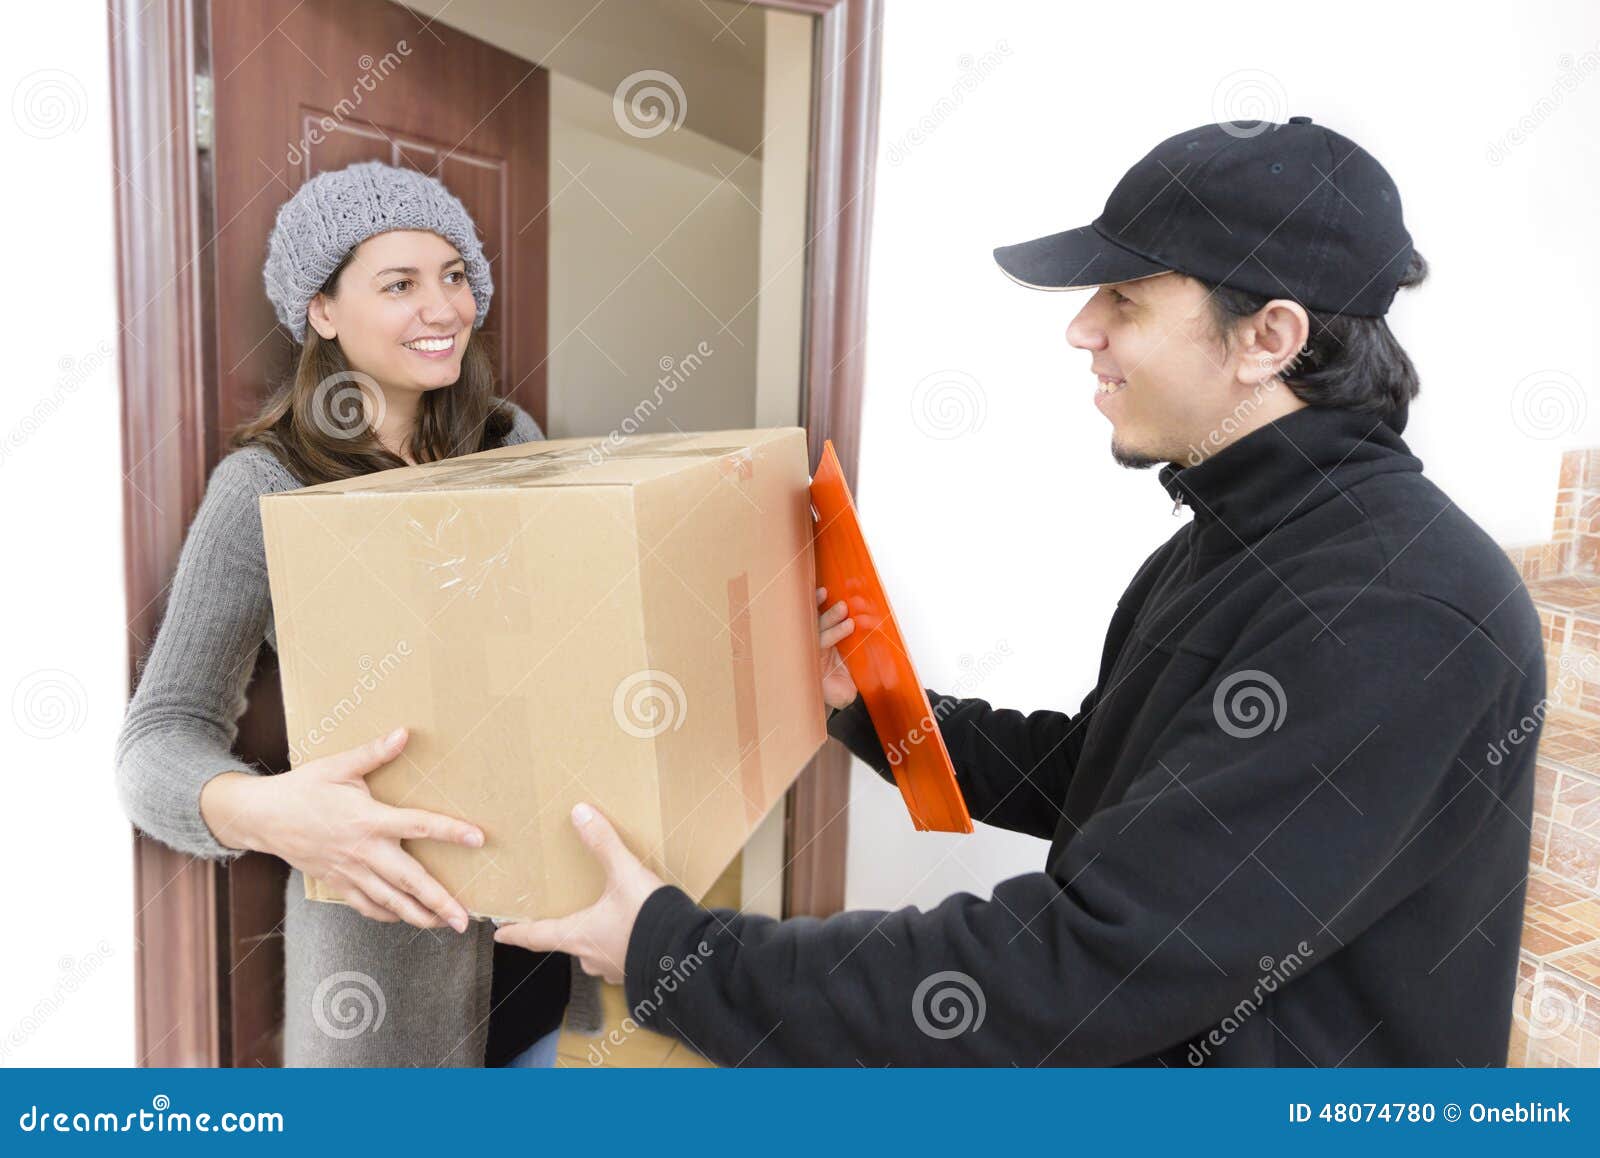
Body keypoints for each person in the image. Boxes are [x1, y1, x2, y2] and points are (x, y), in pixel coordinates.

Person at [494, 118, 1546, 1066]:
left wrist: (677, 952)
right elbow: (1107, 777)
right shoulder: (1234, 541)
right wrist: (870, 706)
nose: (1081, 329)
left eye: (1126, 299)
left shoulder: (1394, 607)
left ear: (1268, 338)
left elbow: (1087, 966)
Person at [115, 161, 593, 1067]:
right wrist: (265, 813)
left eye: (454, 275)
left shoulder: (507, 440)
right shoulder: (265, 485)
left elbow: (560, 639)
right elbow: (157, 740)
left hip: (537, 933)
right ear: (323, 313)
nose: (443, 307)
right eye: (400, 284)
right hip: (385, 978)